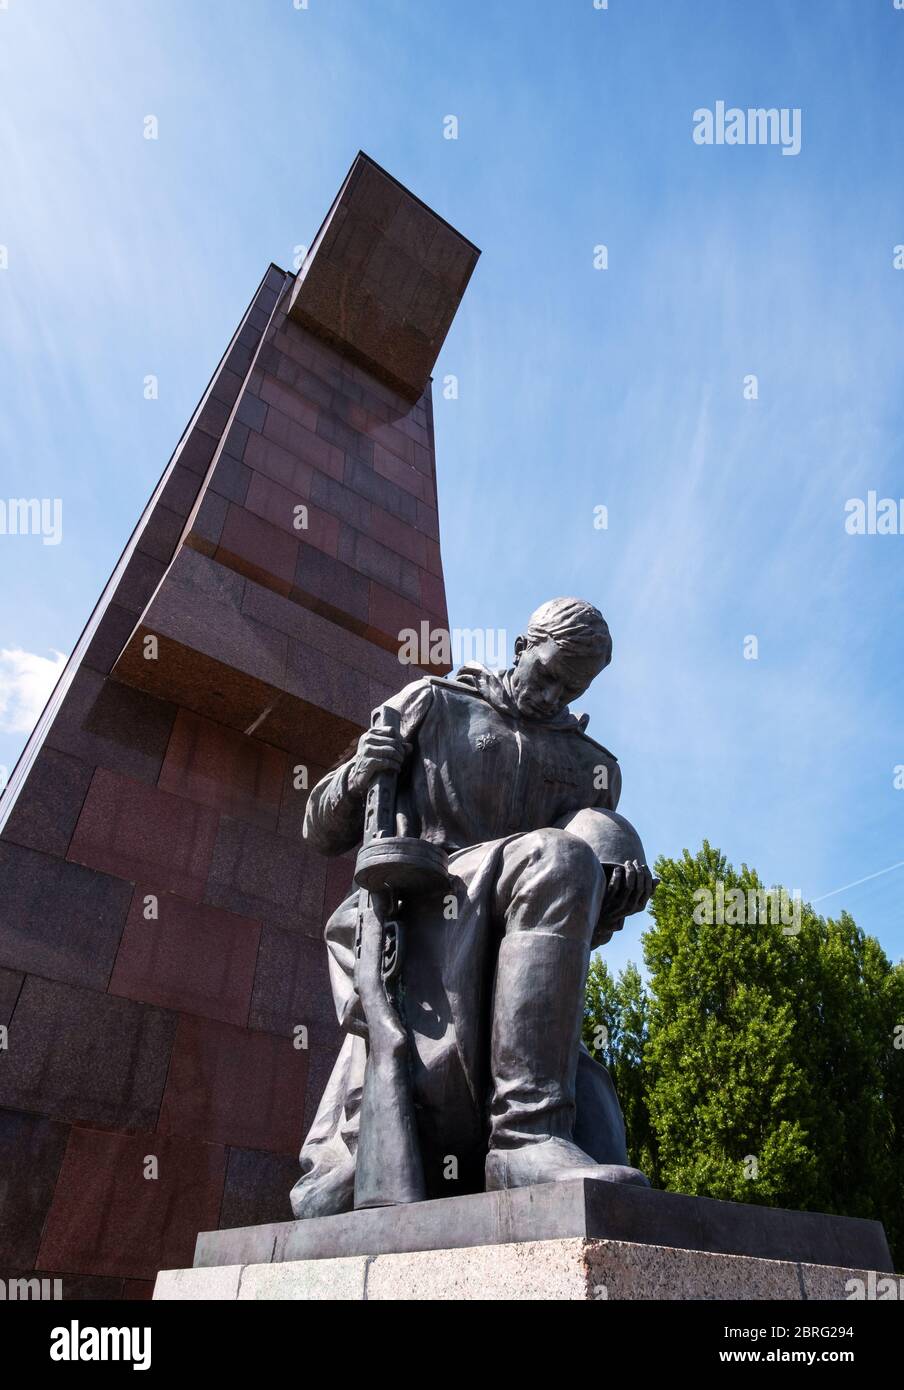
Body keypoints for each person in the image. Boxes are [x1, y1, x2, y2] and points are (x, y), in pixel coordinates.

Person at [292, 597, 656, 1217]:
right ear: (522, 645)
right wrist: (358, 776)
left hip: (509, 935)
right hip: (430, 903)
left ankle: (529, 1129)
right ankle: (524, 1137)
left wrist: (614, 888)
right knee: (560, 856)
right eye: (547, 673)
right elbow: (321, 828)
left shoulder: (592, 767)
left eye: (571, 687)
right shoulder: (434, 703)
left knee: (569, 855)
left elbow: (572, 906)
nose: (552, 695)